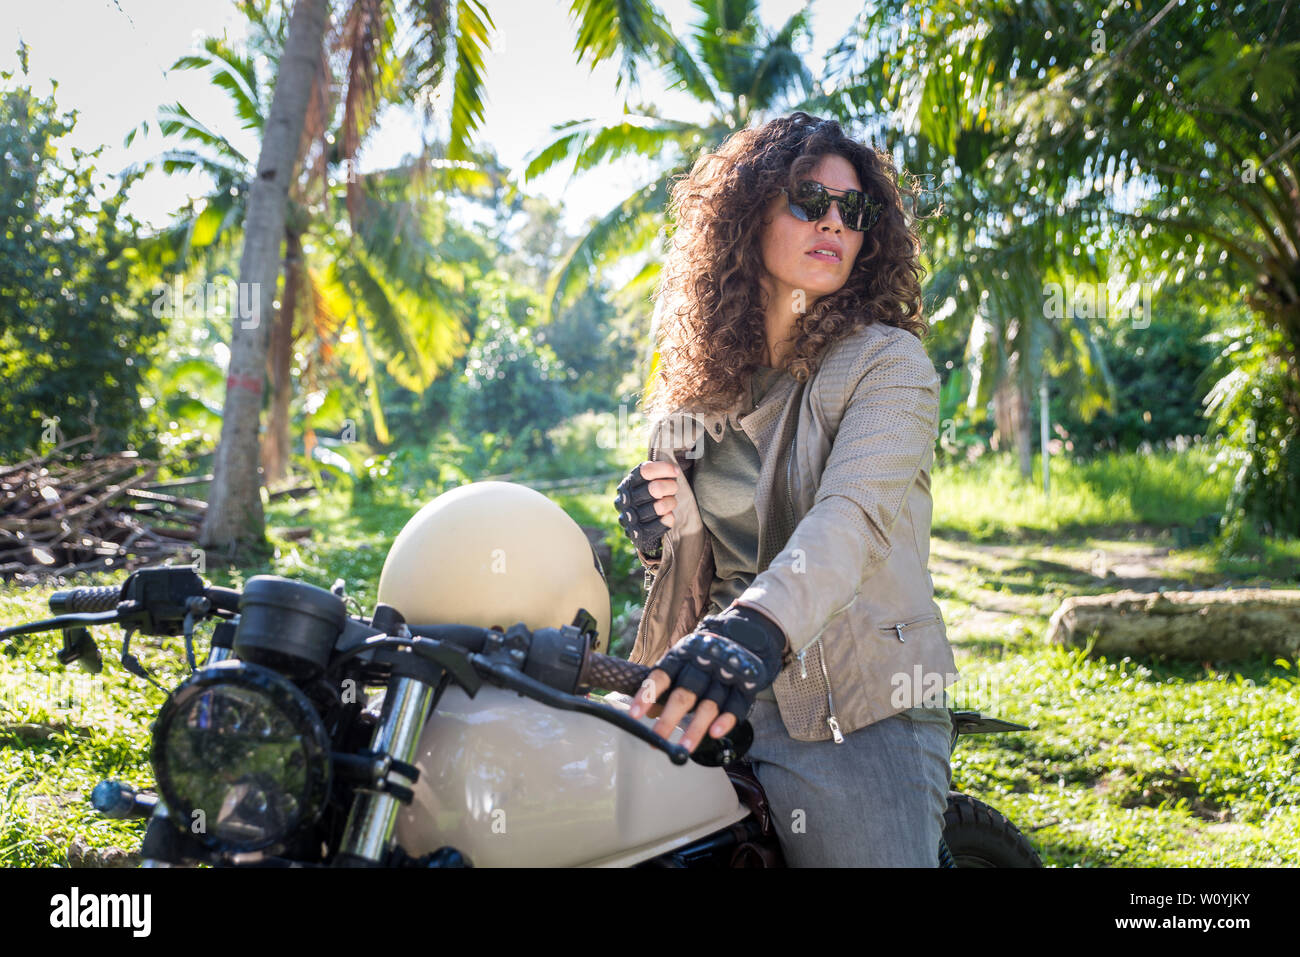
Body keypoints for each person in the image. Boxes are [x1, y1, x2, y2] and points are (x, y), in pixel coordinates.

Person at [613, 112, 959, 867]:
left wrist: (753, 631)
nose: (835, 220)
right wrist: (657, 533)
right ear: (748, 215)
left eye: (855, 210)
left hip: (853, 704)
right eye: (810, 200)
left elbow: (851, 521)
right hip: (710, 679)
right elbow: (689, 572)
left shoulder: (887, 365)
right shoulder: (693, 388)